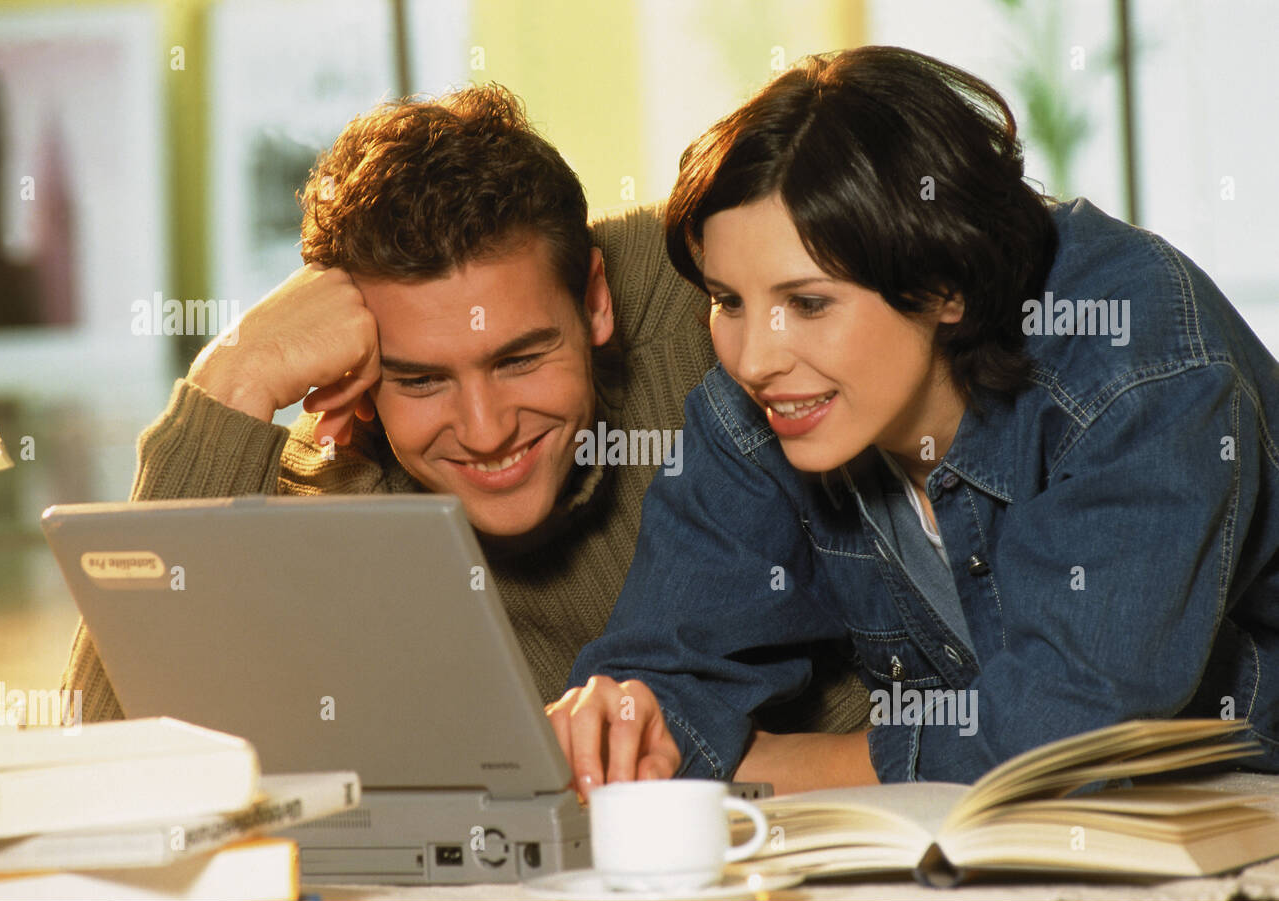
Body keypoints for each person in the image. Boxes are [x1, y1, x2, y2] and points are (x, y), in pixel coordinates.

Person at [547, 46, 1279, 798]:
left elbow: (1070, 727)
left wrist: (782, 766)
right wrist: (622, 719)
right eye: (729, 300)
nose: (755, 359)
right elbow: (661, 686)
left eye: (808, 303)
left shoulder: (1133, 354)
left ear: (944, 285)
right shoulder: (768, 400)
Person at [61, 83, 872, 741]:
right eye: (420, 381)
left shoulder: (717, 300)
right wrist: (231, 382)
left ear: (595, 298)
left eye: (520, 360)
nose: (486, 432)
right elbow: (111, 763)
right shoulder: (341, 465)